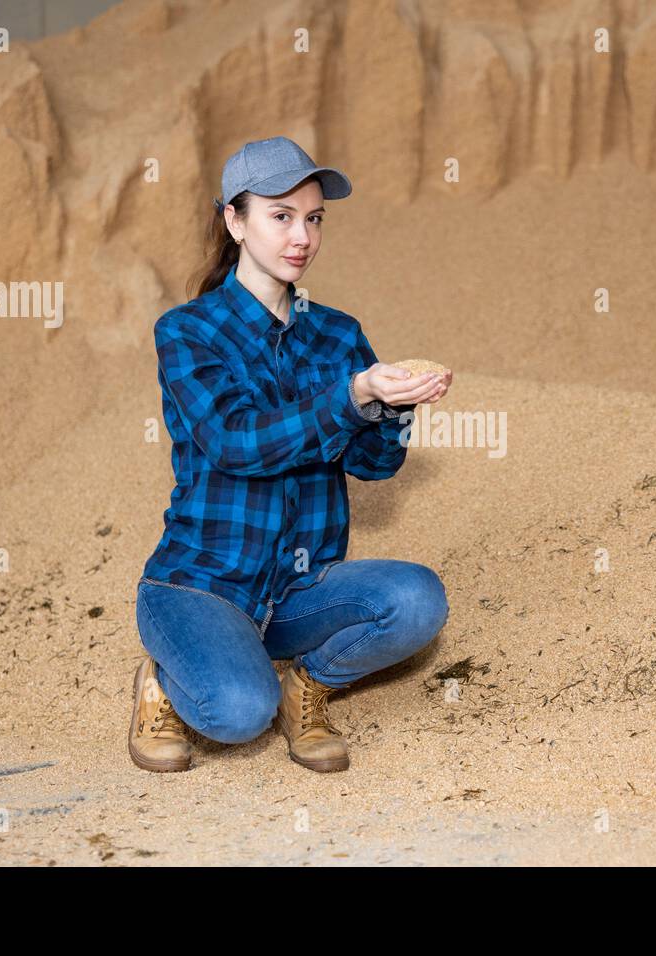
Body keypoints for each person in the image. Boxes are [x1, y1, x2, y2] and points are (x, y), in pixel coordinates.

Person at [130, 136, 453, 774]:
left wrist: (390, 405)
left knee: (418, 600)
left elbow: (375, 466)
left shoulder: (337, 333)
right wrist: (349, 395)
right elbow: (234, 441)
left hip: (300, 590)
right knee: (235, 714)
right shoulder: (188, 331)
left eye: (313, 218)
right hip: (203, 583)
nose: (301, 236)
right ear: (234, 220)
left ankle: (304, 685)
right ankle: (163, 683)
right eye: (280, 216)